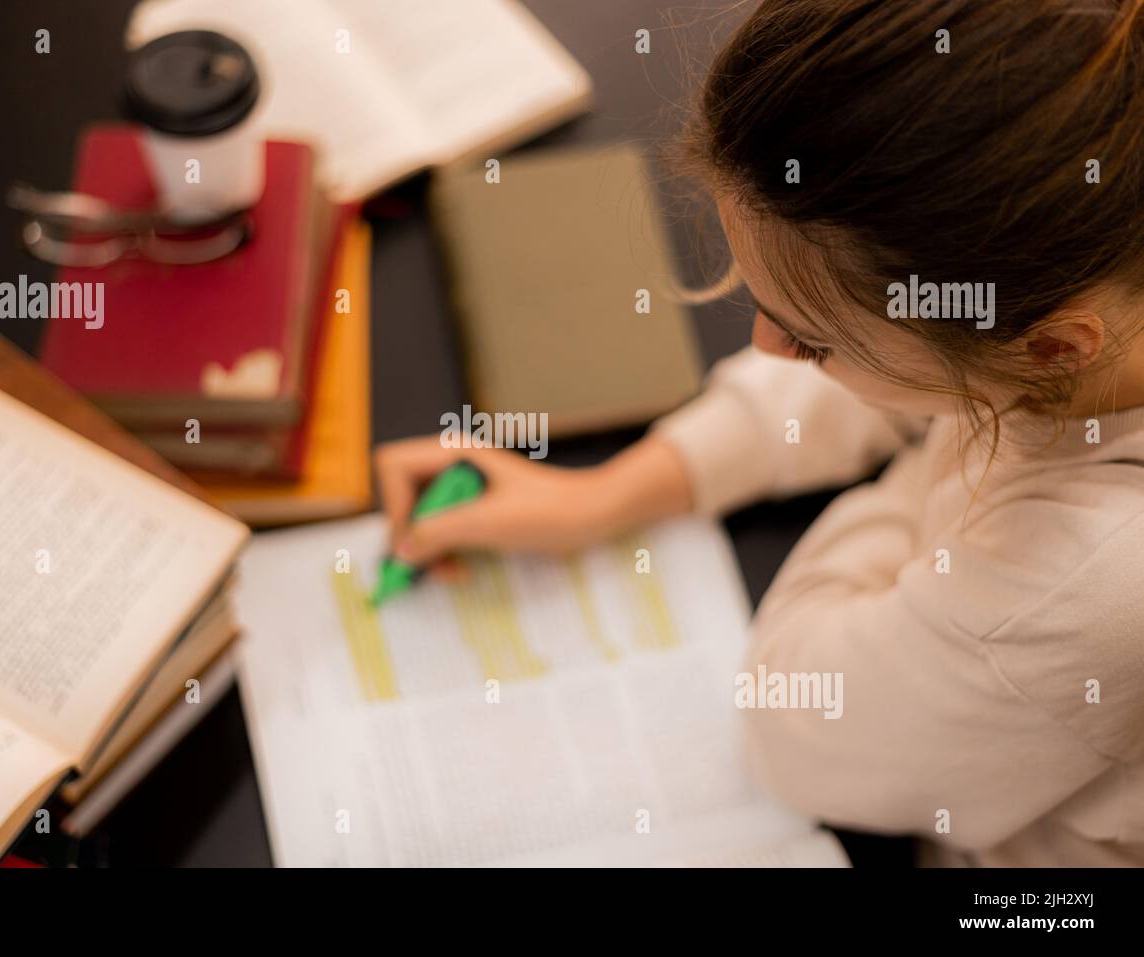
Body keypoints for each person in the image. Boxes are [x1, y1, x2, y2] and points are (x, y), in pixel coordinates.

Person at [375, 0, 1144, 866]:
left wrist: (911, 495)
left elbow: (793, 726)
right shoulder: (1083, 307)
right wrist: (615, 490)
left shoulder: (1083, 585)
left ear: (1047, 347)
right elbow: (914, 368)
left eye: (811, 341)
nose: (764, 348)